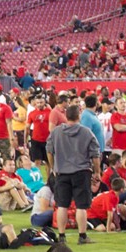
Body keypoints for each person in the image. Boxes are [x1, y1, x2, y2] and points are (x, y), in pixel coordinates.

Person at [48, 99, 102, 243]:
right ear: (79, 116)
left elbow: (49, 150)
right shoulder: (86, 132)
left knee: (62, 205)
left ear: (66, 116)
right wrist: (97, 172)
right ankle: (82, 236)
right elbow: (95, 154)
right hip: (81, 172)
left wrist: (53, 167)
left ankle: (61, 236)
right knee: (81, 206)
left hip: (62, 172)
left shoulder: (56, 132)